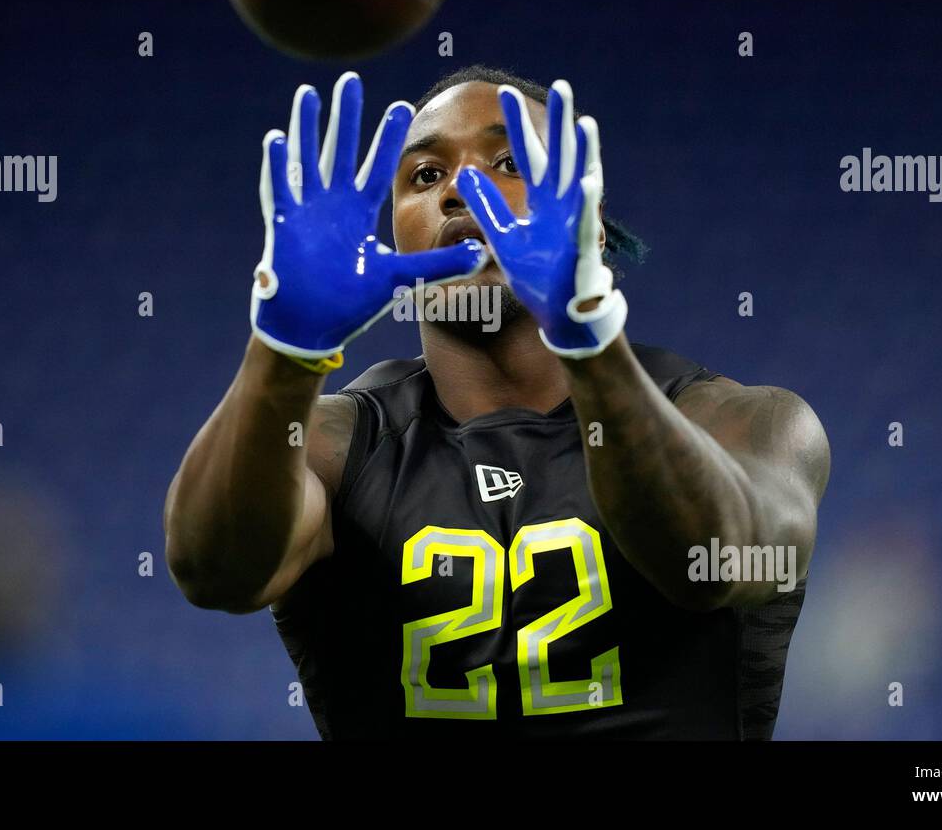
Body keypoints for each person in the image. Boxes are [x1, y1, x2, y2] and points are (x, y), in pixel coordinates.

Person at [163, 65, 831, 739]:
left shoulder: (747, 422)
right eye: (425, 175)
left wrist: (589, 340)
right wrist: (284, 349)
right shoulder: (338, 444)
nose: (460, 189)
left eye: (509, 162)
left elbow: (712, 560)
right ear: (395, 234)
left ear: (591, 225)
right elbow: (215, 571)